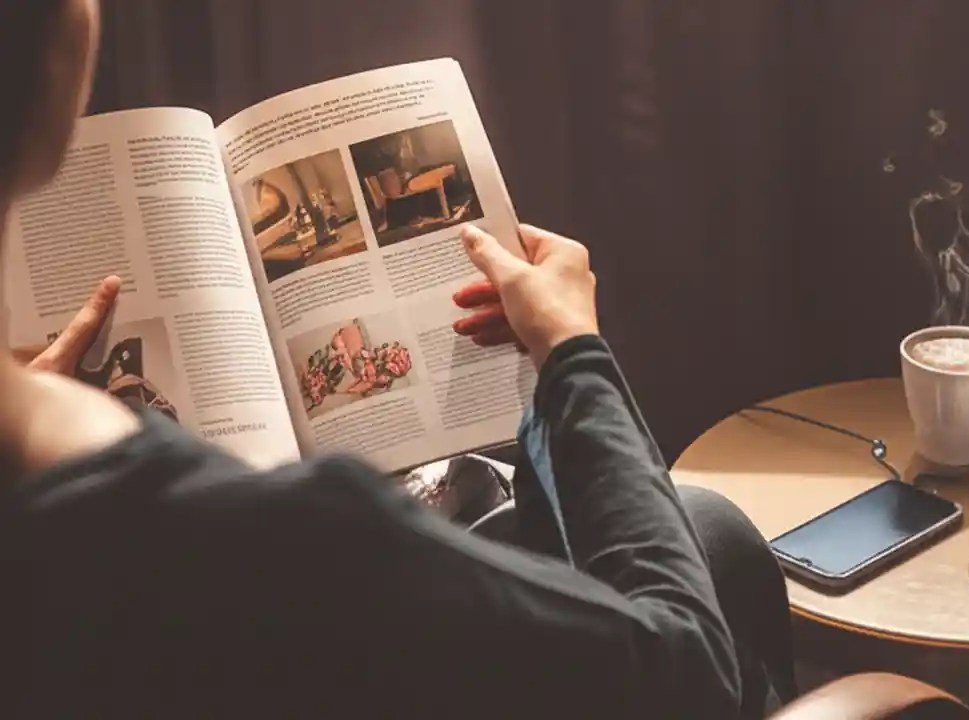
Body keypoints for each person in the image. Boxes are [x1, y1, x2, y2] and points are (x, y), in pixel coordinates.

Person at [0, 1, 796, 718]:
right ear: (48, 91)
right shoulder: (288, 538)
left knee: (708, 528)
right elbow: (686, 673)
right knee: (717, 548)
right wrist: (571, 349)